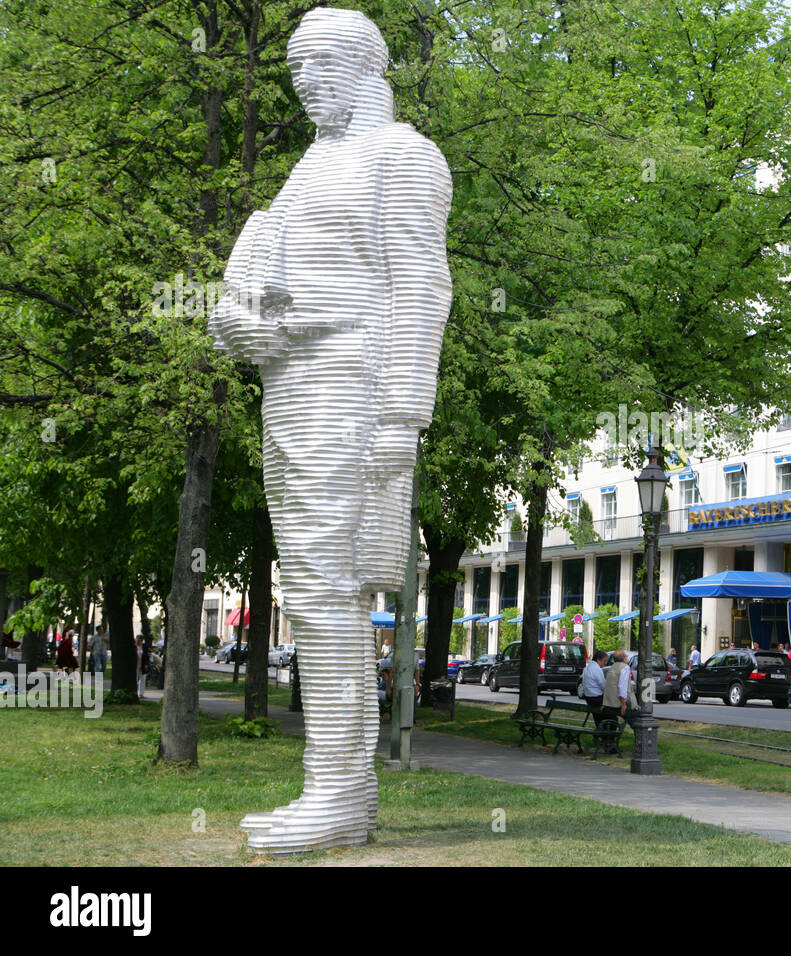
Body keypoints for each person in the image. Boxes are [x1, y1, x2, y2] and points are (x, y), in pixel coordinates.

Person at [208, 6, 452, 853]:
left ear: (362, 66)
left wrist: (400, 418)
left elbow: (424, 289)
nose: (303, 82)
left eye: (317, 64)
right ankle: (332, 785)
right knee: (312, 590)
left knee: (337, 591)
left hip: (352, 388)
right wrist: (239, 326)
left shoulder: (402, 156)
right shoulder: (308, 168)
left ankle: (342, 788)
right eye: (294, 68)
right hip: (292, 387)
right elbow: (262, 280)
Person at [602, 649, 639, 725]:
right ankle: (642, 736)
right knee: (640, 715)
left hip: (610, 704)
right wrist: (624, 704)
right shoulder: (625, 667)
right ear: (624, 658)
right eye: (626, 656)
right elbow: (622, 687)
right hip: (620, 704)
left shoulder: (612, 668)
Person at [581, 649, 607, 717]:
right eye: (604, 661)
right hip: (596, 699)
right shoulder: (597, 669)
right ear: (598, 660)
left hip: (588, 698)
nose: (605, 663)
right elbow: (604, 686)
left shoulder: (587, 668)